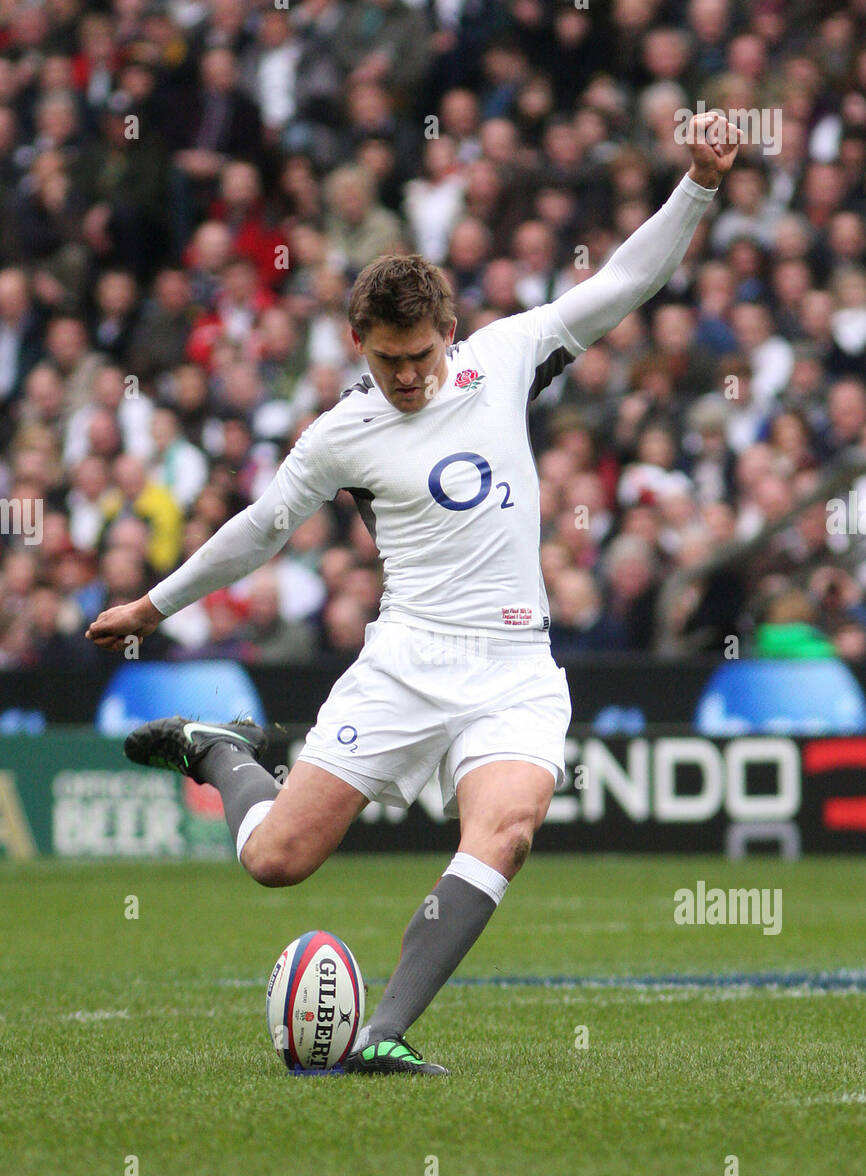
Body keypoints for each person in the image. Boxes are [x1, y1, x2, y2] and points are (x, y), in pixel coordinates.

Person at [86, 113, 740, 1076]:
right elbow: (263, 529)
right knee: (277, 861)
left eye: (420, 356)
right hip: (406, 660)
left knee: (506, 831)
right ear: (358, 341)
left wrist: (699, 184)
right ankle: (219, 752)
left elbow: (624, 283)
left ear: (448, 331)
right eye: (386, 360)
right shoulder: (340, 434)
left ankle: (382, 1032)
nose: (405, 376)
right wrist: (155, 605)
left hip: (515, 666)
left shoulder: (508, 355)